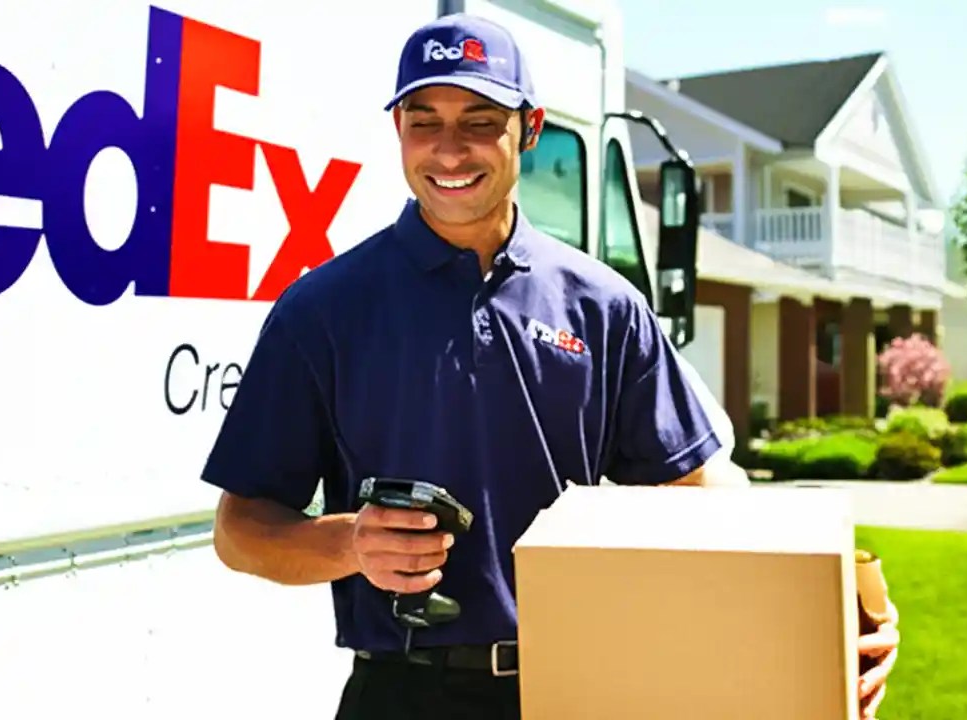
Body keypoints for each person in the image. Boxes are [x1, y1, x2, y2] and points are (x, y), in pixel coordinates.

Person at [198, 13, 899, 720]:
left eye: (479, 120)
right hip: (401, 692)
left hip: (578, 681)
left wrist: (834, 596)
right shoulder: (322, 310)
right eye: (424, 120)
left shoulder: (604, 307)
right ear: (398, 130)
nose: (448, 150)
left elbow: (705, 489)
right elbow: (241, 530)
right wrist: (349, 542)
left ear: (529, 130)